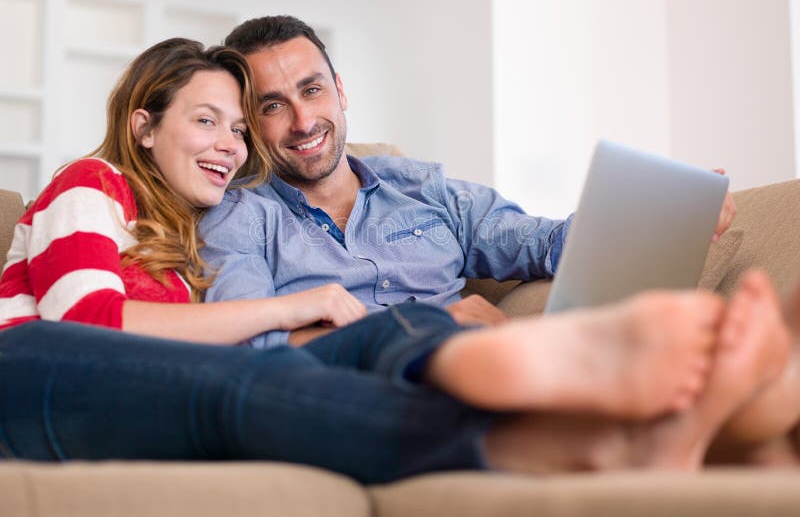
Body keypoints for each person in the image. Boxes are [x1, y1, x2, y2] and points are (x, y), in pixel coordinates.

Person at [0, 37, 788, 481]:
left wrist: (663, 213)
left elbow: (536, 239)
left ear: (340, 91)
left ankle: (617, 426)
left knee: (366, 340)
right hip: (28, 369)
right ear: (144, 126)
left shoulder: (178, 240)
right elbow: (92, 323)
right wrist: (301, 303)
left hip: (129, 396)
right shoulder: (101, 185)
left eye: (233, 129)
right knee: (244, 387)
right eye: (221, 120)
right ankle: (578, 405)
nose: (231, 145)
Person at [199, 14, 737, 348]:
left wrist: (668, 214)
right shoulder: (239, 216)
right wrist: (424, 328)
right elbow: (249, 344)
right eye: (273, 105)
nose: (303, 121)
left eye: (312, 90)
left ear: (340, 91)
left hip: (485, 366)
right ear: (249, 121)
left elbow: (547, 243)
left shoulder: (424, 190)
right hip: (376, 388)